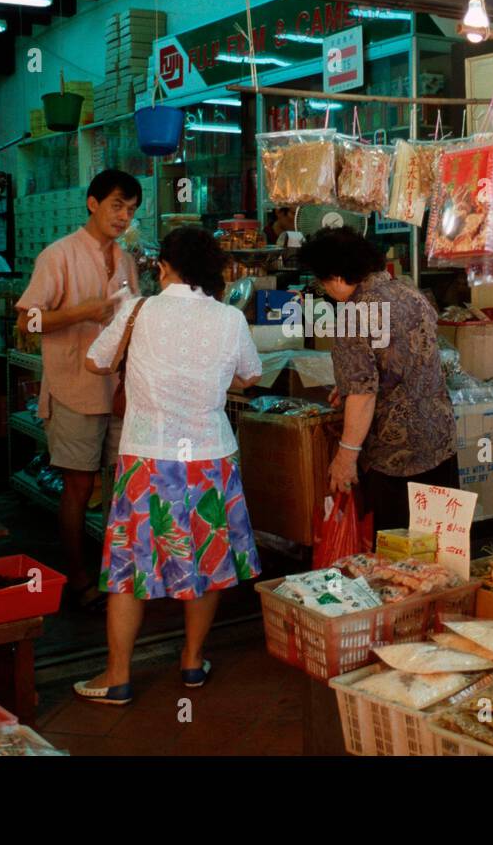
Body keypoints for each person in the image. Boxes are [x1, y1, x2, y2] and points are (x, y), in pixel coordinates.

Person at [74, 226, 263, 704]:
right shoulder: (229, 318)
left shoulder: (138, 310)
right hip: (208, 459)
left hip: (147, 458)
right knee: (206, 560)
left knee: (127, 571)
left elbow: (96, 362)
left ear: (162, 268)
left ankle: (117, 676)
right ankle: (193, 661)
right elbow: (250, 375)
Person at [15, 169, 141, 609]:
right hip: (74, 387)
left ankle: (117, 572)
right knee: (79, 487)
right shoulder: (59, 255)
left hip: (118, 391)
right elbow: (26, 321)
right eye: (116, 206)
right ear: (92, 203)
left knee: (121, 486)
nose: (123, 216)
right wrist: (81, 312)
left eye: (130, 209)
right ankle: (77, 575)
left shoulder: (126, 261)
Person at [297, 227, 458, 530]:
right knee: (442, 548)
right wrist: (348, 390)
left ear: (337, 276)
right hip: (440, 440)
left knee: (396, 562)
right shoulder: (410, 292)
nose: (324, 288)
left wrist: (346, 458)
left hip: (395, 458)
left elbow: (363, 394)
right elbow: (402, 364)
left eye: (322, 280)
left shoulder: (354, 314)